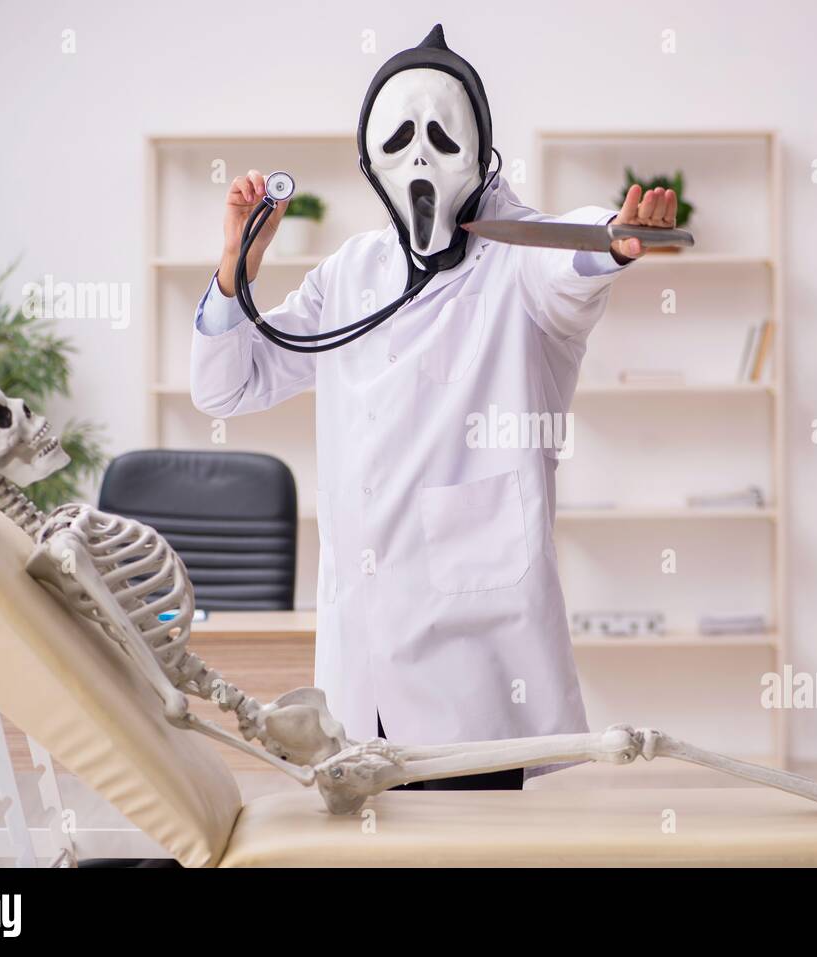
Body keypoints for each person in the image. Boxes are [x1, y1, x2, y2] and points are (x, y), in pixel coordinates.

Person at [190, 25, 678, 789]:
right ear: (371, 164)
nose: (420, 158)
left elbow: (572, 258)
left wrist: (612, 240)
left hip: (474, 673)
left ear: (483, 154)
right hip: (360, 668)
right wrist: (236, 269)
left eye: (442, 137)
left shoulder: (520, 255)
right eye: (401, 138)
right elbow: (226, 386)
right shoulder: (351, 272)